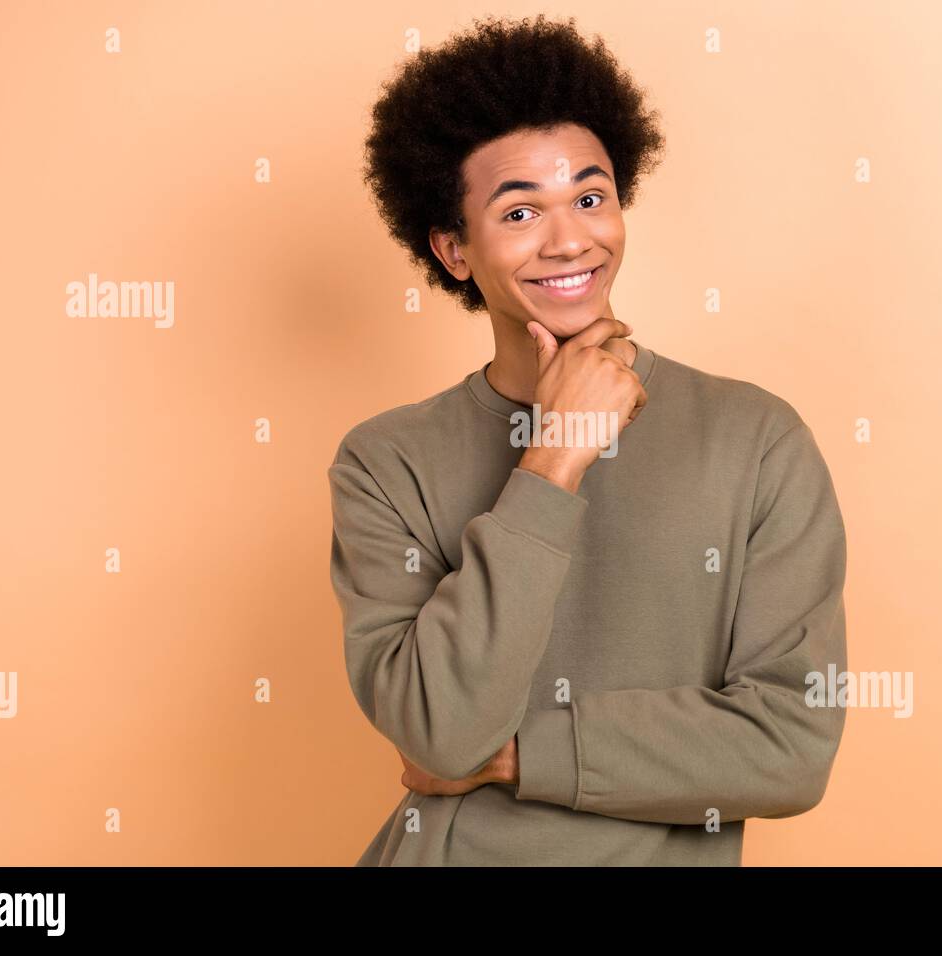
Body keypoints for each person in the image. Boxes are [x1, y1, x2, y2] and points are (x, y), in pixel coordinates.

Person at [328, 13, 848, 866]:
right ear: (455, 250)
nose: (570, 238)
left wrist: (516, 756)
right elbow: (439, 726)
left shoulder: (757, 438)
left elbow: (792, 745)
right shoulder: (385, 463)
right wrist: (555, 455)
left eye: (591, 196)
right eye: (521, 210)